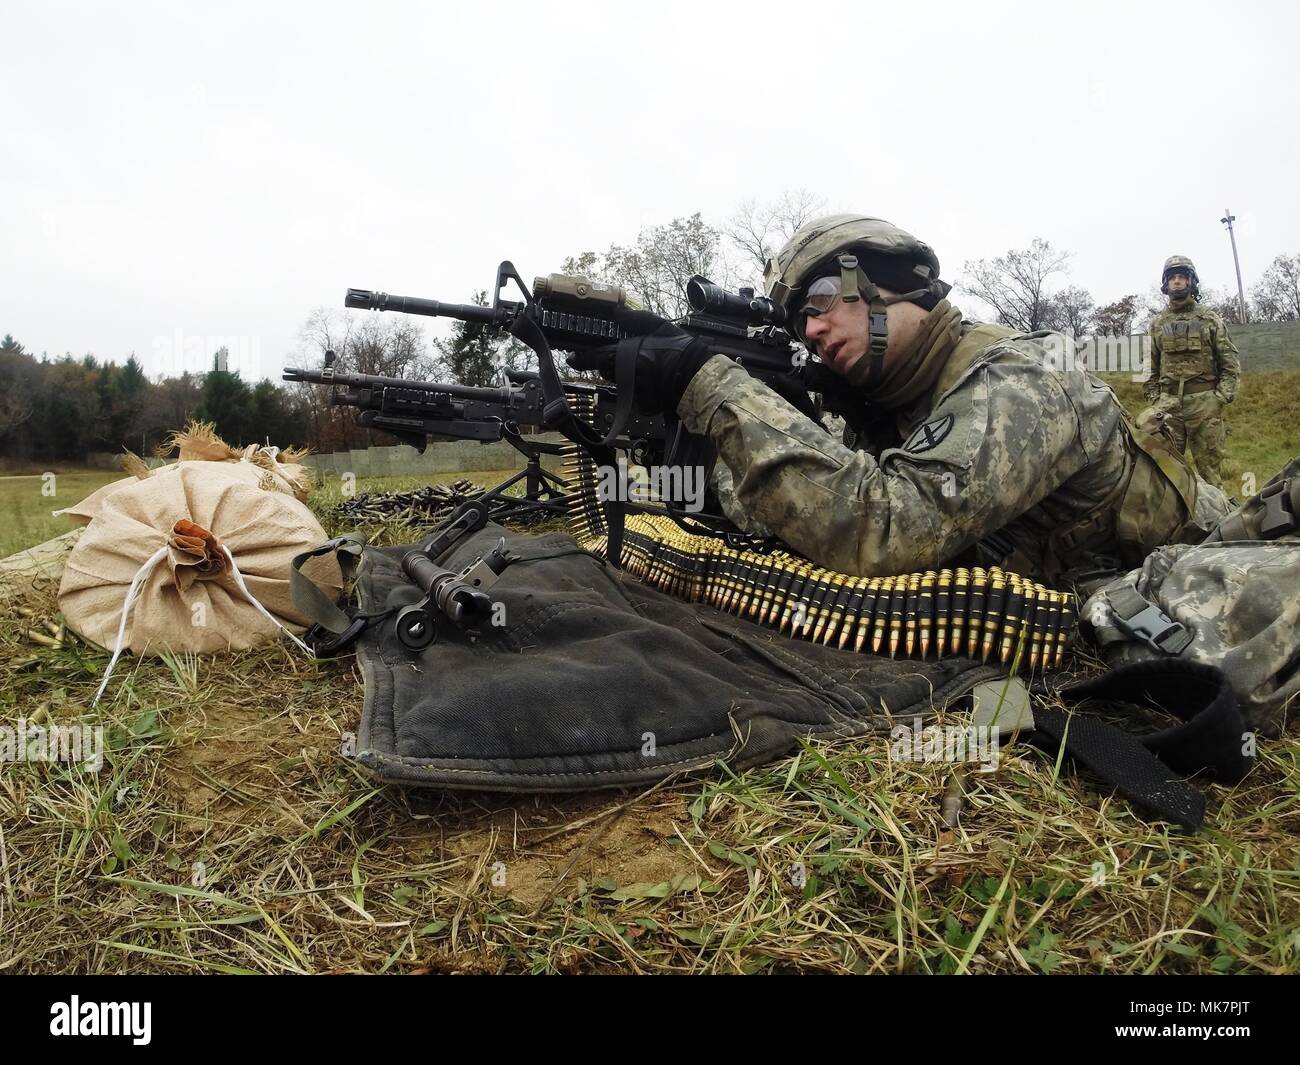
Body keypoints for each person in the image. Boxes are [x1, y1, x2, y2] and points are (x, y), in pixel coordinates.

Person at [572, 215, 1233, 580]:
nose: (810, 327)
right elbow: (793, 520)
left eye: (823, 301)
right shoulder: (890, 395)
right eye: (799, 318)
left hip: (1209, 557)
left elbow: (884, 532)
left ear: (891, 289)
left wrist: (712, 387)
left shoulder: (1019, 378)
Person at [1138, 255, 1241, 490]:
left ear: (1191, 282)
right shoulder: (1156, 324)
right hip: (1167, 408)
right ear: (1165, 284)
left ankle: (1219, 524)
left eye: (1181, 277)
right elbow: (1147, 366)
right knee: (1164, 475)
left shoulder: (1210, 319)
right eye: (1172, 277)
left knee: (1210, 476)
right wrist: (1155, 399)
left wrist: (1219, 399)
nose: (1176, 281)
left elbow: (1230, 363)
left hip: (1204, 406)